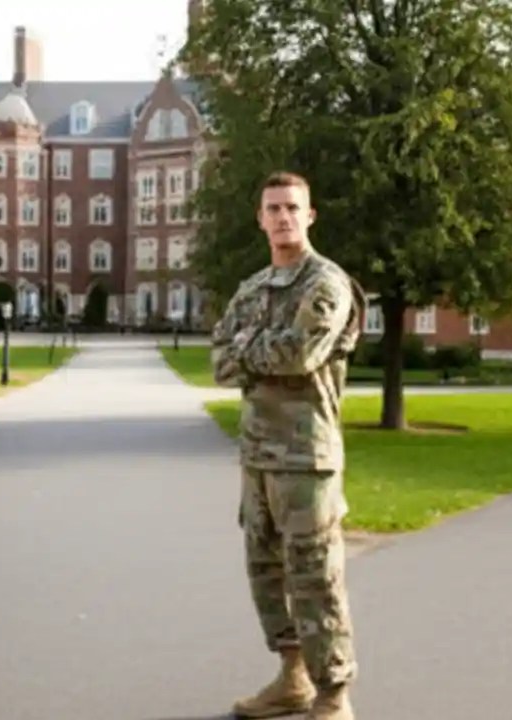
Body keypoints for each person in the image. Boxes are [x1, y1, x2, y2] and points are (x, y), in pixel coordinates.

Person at [211, 171, 367, 720]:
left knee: (315, 574)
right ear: (260, 218)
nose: (282, 217)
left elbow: (301, 355)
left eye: (292, 207)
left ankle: (333, 694)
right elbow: (217, 360)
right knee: (266, 571)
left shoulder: (327, 284)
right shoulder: (252, 289)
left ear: (310, 215)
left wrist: (248, 347)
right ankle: (293, 677)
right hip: (257, 456)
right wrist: (259, 349)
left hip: (307, 458)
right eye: (273, 208)